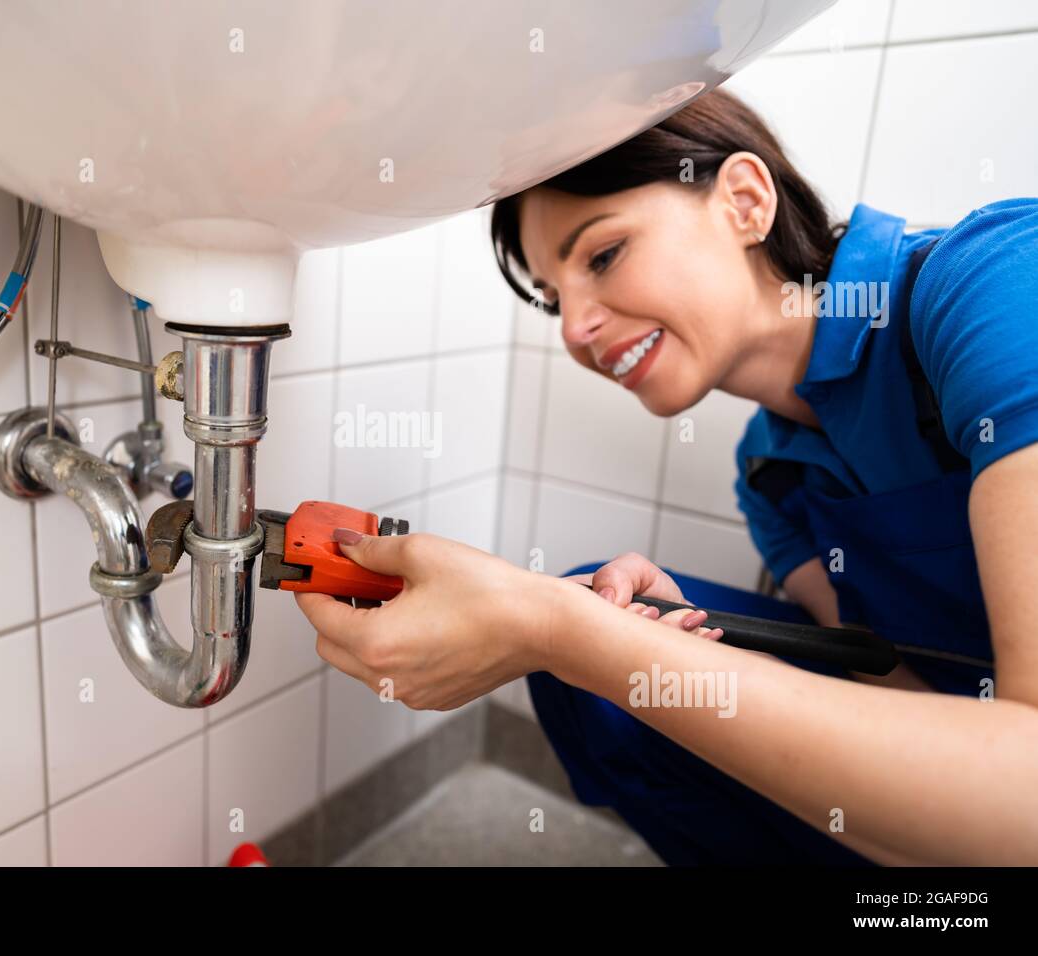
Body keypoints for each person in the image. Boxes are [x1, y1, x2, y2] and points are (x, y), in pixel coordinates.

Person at [293, 89, 1038, 865]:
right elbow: (885, 680)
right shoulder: (770, 475)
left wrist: (554, 626)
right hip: (950, 797)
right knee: (603, 642)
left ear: (745, 203)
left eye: (604, 255)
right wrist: (665, 654)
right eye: (555, 299)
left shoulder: (995, 286)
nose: (575, 328)